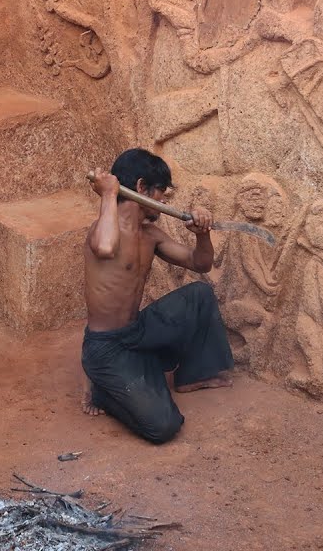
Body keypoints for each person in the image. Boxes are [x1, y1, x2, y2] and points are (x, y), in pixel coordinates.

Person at [81, 148, 234, 444]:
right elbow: (105, 248)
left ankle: (191, 376)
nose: (164, 202)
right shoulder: (101, 230)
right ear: (141, 188)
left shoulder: (150, 234)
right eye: (161, 193)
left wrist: (202, 234)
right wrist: (108, 196)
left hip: (136, 331)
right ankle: (103, 388)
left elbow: (200, 264)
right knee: (163, 426)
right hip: (105, 348)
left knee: (199, 295)